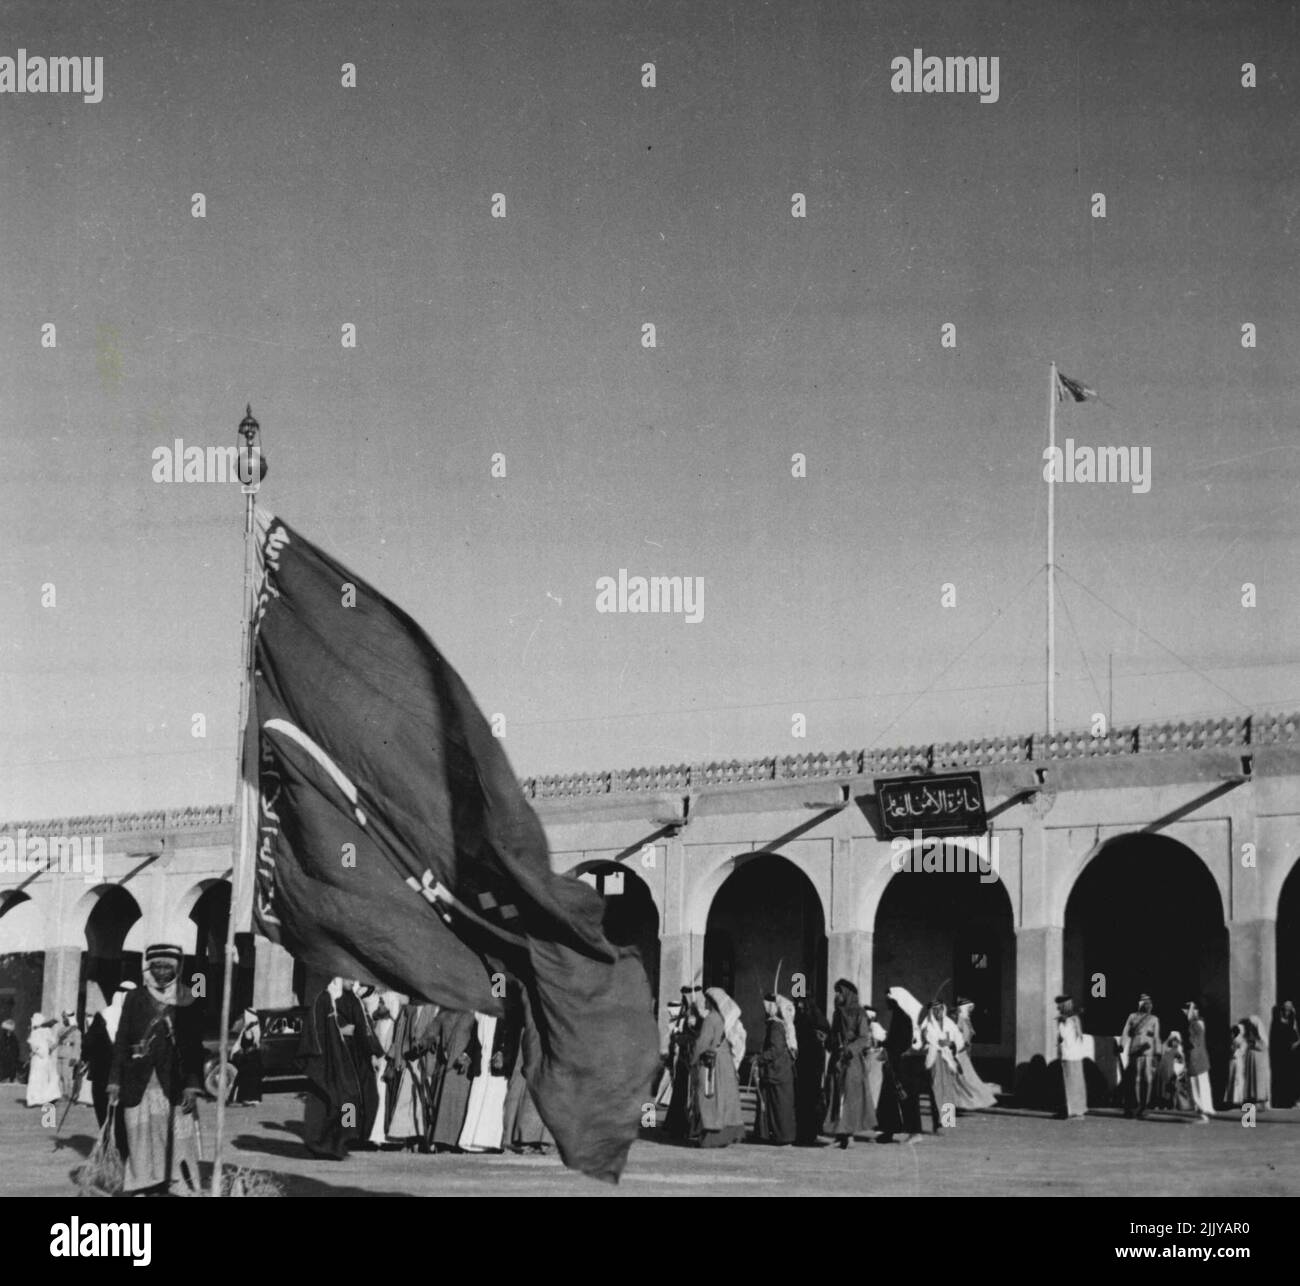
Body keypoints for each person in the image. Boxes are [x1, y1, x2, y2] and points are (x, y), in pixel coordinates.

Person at [107, 944, 205, 1195]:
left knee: (177, 1138)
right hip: (137, 1080)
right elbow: (121, 1040)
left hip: (174, 1081)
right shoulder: (134, 998)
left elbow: (194, 1047)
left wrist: (192, 1084)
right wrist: (114, 1080)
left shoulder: (188, 998)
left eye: (168, 967)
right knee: (139, 1137)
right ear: (148, 968)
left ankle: (179, 1184)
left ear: (178, 968)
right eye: (157, 966)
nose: (162, 972)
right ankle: (142, 1184)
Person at [301, 976, 364, 1160]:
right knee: (328, 1105)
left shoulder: (347, 999)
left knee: (349, 1099)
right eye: (349, 978)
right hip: (326, 1064)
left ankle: (344, 1139)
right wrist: (341, 1031)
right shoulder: (324, 999)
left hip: (341, 1061)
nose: (354, 982)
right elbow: (317, 1031)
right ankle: (322, 1145)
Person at [822, 978, 876, 1148]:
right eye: (836, 992)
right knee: (835, 1093)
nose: (836, 995)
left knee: (850, 1096)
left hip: (852, 1061)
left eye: (839, 992)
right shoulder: (837, 1013)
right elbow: (833, 1034)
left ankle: (849, 1135)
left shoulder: (860, 1012)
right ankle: (839, 1134)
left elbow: (863, 1038)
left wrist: (849, 1049)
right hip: (837, 1060)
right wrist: (828, 1041)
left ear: (847, 994)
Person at [689, 988, 745, 1147]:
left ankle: (711, 1137)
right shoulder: (721, 1018)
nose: (705, 1002)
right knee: (724, 1099)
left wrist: (693, 1059)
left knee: (710, 1098)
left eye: (707, 1000)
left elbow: (702, 1043)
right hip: (724, 1061)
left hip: (712, 1064)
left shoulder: (710, 1019)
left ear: (712, 1002)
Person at [83, 982, 136, 1131]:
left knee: (104, 1120)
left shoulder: (103, 1016)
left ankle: (108, 1150)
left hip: (102, 1077)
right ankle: (121, 1152)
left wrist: (86, 1058)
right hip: (125, 1077)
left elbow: (88, 1044)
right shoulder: (136, 1020)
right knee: (123, 1122)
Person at [337, 981, 383, 1144]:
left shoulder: (349, 1000)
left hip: (356, 1053)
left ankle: (354, 1134)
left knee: (360, 1097)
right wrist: (373, 1053)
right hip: (355, 1054)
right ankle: (354, 1135)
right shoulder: (343, 1001)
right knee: (358, 1097)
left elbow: (364, 1027)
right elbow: (364, 1030)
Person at [879, 988, 925, 1141]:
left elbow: (903, 1042)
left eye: (889, 1000)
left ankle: (915, 1132)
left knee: (908, 1097)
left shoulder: (904, 1018)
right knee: (889, 1097)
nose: (887, 1002)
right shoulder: (898, 1016)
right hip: (895, 1062)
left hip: (904, 1064)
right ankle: (889, 1130)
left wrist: (889, 1047)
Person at [430, 1008, 478, 1151]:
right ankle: (440, 1140)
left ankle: (455, 1142)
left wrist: (467, 1055)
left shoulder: (471, 1014)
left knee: (458, 1104)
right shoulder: (443, 1013)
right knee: (442, 1103)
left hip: (462, 1066)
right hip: (446, 1064)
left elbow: (476, 1039)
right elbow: (434, 1034)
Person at [754, 993, 797, 1145]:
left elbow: (775, 1049)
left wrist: (759, 1059)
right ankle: (777, 1135)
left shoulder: (776, 1026)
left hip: (777, 1070)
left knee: (780, 1105)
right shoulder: (780, 1024)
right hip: (780, 1070)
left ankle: (782, 1136)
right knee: (779, 1104)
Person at [917, 999, 964, 1132]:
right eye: (935, 1009)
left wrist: (951, 1044)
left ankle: (947, 1120)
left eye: (940, 1008)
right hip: (934, 1059)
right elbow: (921, 1043)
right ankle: (936, 1123)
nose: (938, 1012)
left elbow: (959, 1041)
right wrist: (934, 1043)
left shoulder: (949, 1024)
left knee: (948, 1091)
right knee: (936, 1090)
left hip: (947, 1060)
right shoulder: (927, 1026)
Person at [792, 996, 829, 1145]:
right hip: (803, 1066)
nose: (800, 1008)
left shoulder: (816, 1022)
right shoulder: (801, 1020)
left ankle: (810, 1134)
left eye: (802, 1006)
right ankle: (802, 1133)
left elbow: (824, 1037)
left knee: (811, 1100)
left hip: (812, 1067)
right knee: (802, 1100)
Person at [951, 998, 998, 1110]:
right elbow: (958, 1036)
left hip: (963, 1054)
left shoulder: (965, 1020)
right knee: (963, 1079)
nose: (971, 1010)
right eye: (969, 1008)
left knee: (967, 1079)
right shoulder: (960, 1020)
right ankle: (959, 1105)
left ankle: (967, 1102)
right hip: (959, 1053)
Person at [1121, 994, 1161, 1118]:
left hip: (1148, 1051)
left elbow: (1156, 1036)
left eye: (1150, 1003)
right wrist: (1122, 1045)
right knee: (1135, 1078)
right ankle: (1136, 1105)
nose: (1148, 1006)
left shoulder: (1154, 1019)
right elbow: (1126, 1031)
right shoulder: (1132, 1016)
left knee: (1148, 1078)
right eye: (1146, 1003)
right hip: (1134, 1049)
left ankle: (1145, 1106)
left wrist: (1158, 1051)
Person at [1056, 995, 1087, 1120]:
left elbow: (1074, 1036)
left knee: (1072, 1083)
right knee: (1071, 1083)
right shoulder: (1068, 1019)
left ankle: (1076, 1112)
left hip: (1071, 1054)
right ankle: (1072, 1110)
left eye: (1060, 1005)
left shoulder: (1071, 1019)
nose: (1058, 1007)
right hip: (1069, 1054)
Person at [1182, 1000, 1214, 1121]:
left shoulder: (1194, 1024)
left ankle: (1202, 1111)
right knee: (1203, 1084)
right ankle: (1205, 1109)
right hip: (1201, 1057)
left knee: (1197, 1085)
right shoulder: (1200, 1023)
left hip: (1195, 1058)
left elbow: (1192, 1041)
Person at [25, 1012, 61, 1107]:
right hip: (45, 1058)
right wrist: (48, 1050)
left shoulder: (34, 1032)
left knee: (35, 1078)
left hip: (37, 1058)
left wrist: (34, 1052)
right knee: (44, 1078)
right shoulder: (47, 1031)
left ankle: (33, 1099)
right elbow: (53, 1043)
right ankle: (44, 1098)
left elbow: (33, 1046)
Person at [1268, 1001, 1299, 1109]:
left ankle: (1290, 1101)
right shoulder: (1277, 1022)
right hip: (1280, 1054)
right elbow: (1276, 1039)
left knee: (1290, 1078)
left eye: (1289, 1009)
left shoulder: (1292, 1022)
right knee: (1280, 1077)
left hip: (1290, 1055)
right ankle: (1280, 1101)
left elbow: (1295, 1036)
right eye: (1286, 1009)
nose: (1287, 1012)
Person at [233, 1008, 264, 1106]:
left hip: (252, 1059)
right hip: (247, 1058)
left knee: (251, 1079)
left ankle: (252, 1099)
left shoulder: (255, 1028)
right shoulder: (247, 1029)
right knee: (246, 1079)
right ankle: (246, 1098)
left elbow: (256, 1043)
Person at [1156, 1033, 1193, 1111]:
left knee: (1169, 1089)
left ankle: (1170, 1105)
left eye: (1176, 1042)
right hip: (1162, 1071)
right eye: (1173, 1041)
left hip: (1170, 1072)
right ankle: (1161, 1105)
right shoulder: (1164, 1048)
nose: (1175, 1043)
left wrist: (1180, 1068)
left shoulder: (1175, 1050)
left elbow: (1181, 1059)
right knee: (1162, 1088)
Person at [1241, 1015, 1270, 1108]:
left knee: (1259, 1081)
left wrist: (1253, 1043)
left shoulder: (1261, 1035)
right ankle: (1252, 1100)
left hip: (1259, 1062)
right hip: (1251, 1060)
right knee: (1251, 1080)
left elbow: (1263, 1045)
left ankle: (1260, 1101)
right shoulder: (1249, 1033)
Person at [55, 1009, 81, 1100]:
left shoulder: (75, 1031)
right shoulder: (61, 1030)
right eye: (63, 1018)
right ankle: (60, 1093)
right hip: (60, 1053)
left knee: (67, 1076)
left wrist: (74, 1057)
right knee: (59, 1075)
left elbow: (77, 1045)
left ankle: (68, 1094)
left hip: (69, 1054)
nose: (64, 1020)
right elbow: (57, 1041)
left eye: (65, 1018)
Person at [1224, 1022, 1246, 1106]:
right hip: (1232, 1062)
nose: (1231, 1035)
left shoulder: (1241, 1041)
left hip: (1237, 1062)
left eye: (1232, 1033)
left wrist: (1234, 1052)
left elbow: (1241, 1051)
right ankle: (1231, 1099)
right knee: (1231, 1079)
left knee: (1237, 1079)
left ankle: (1238, 1100)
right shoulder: (1232, 1041)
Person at [0, 1018, 19, 1083]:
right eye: (7, 1030)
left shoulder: (14, 1038)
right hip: (2, 1059)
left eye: (10, 1030)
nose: (9, 1032)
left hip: (11, 1060)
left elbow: (16, 1049)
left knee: (10, 1072)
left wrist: (14, 1057)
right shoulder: (1, 1037)